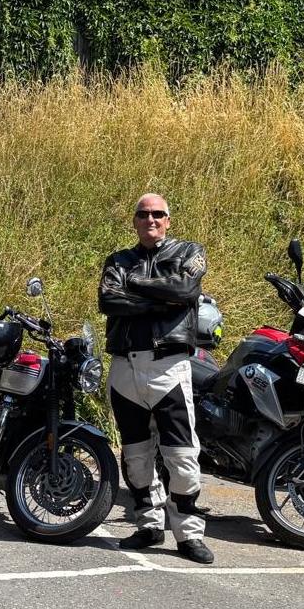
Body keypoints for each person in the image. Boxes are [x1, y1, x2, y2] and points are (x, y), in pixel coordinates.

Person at [98, 192, 214, 564]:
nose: (151, 220)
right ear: (134, 220)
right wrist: (161, 300)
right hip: (125, 368)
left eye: (158, 214)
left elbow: (185, 290)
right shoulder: (118, 260)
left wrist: (138, 285)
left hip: (169, 366)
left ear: (169, 219)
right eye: (144, 214)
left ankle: (188, 534)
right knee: (135, 456)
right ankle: (148, 525)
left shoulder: (189, 252)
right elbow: (109, 301)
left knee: (182, 457)